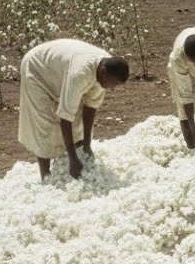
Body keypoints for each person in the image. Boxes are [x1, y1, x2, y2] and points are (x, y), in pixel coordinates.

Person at [18, 39, 129, 181]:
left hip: (59, 70)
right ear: (102, 72)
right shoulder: (79, 74)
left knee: (76, 121)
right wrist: (72, 158)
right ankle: (46, 177)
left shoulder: (106, 69)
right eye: (113, 84)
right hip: (37, 68)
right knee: (45, 125)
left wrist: (87, 145)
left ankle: (71, 164)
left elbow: (90, 107)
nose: (112, 88)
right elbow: (65, 118)